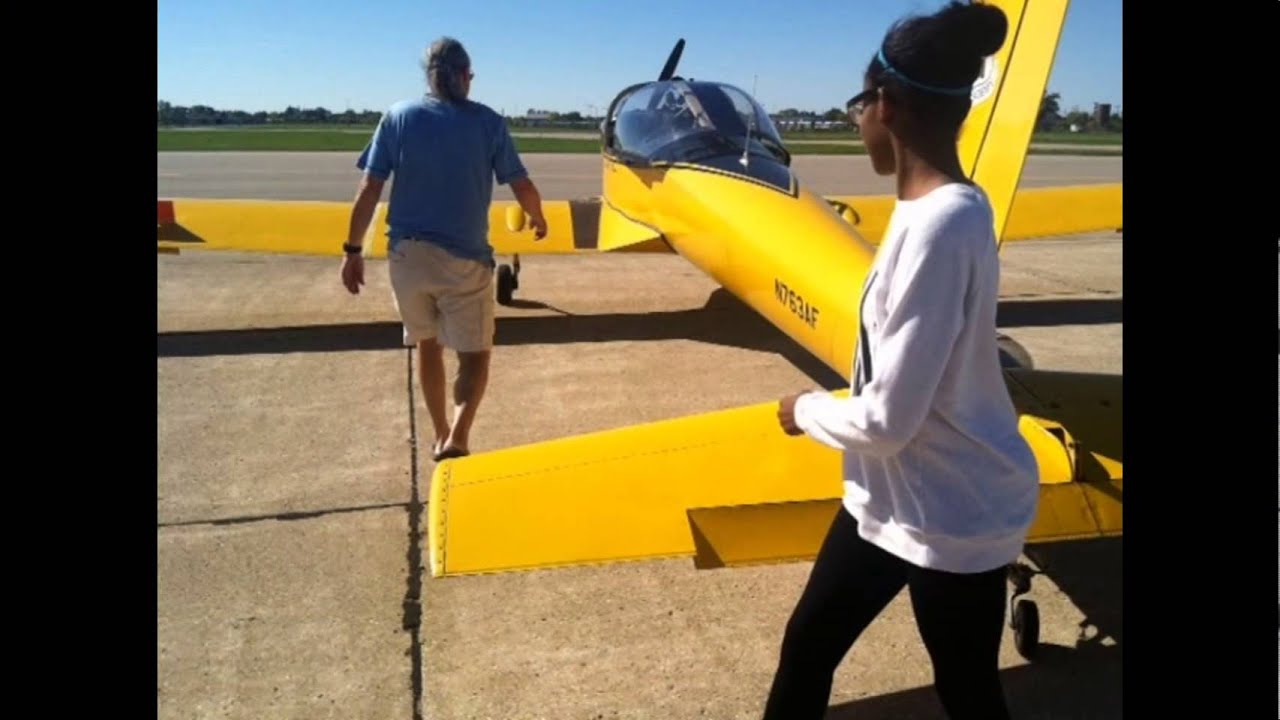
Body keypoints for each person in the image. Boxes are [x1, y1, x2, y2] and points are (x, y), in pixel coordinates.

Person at [765, 3, 1038, 719]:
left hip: (952, 510)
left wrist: (804, 410)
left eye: (859, 106)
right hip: (886, 499)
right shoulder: (934, 213)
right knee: (808, 647)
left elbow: (887, 418)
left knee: (968, 688)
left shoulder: (943, 224)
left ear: (886, 106)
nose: (858, 123)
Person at [340, 37, 547, 462]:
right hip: (464, 260)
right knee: (474, 356)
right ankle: (457, 436)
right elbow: (521, 184)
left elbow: (370, 188)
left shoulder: (397, 117)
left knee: (427, 345)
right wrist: (537, 216)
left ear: (430, 78)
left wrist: (352, 248)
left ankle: (438, 433)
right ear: (463, 76)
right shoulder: (489, 122)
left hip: (406, 258)